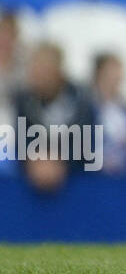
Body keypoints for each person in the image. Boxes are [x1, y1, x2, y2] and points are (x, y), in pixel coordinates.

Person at [12, 43, 96, 193]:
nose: (38, 77)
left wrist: (61, 161)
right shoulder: (23, 100)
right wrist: (34, 160)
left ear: (58, 72)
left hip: (76, 178)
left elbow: (87, 142)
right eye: (35, 70)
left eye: (44, 71)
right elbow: (21, 138)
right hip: (36, 171)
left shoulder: (82, 100)